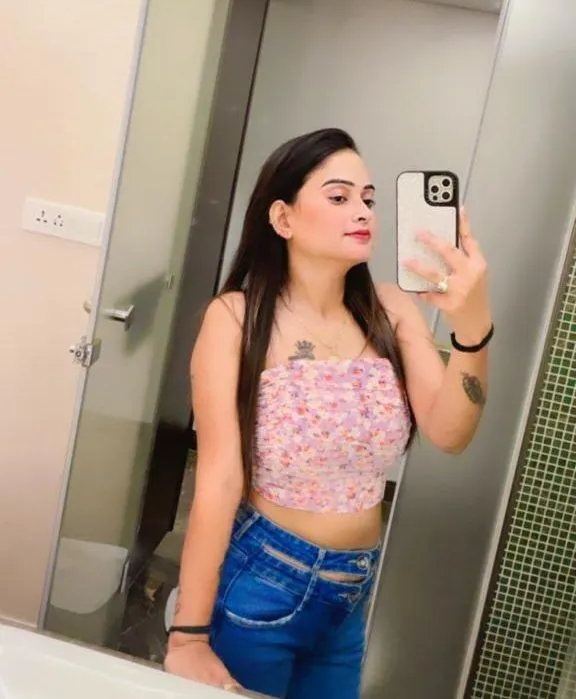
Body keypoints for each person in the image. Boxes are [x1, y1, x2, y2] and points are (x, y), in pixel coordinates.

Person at [164, 128, 492, 699]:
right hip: (262, 581)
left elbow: (450, 433)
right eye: (339, 197)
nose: (362, 211)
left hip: (349, 595)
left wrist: (472, 328)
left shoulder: (390, 309)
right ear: (283, 218)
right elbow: (219, 479)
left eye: (368, 198)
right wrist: (188, 637)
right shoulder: (236, 318)